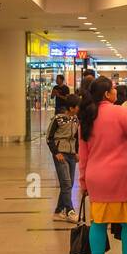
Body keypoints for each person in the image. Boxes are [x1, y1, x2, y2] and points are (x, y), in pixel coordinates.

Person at [76, 76, 127, 254]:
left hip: (96, 178)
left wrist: (83, 181)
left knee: (98, 224)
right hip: (120, 176)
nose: (116, 91)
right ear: (107, 94)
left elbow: (83, 155)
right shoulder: (119, 111)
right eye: (113, 89)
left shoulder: (86, 117)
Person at [46, 94, 80, 222]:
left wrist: (77, 151)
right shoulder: (58, 119)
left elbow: (76, 137)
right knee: (66, 183)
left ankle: (58, 211)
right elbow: (49, 138)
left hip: (71, 154)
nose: (79, 109)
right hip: (60, 154)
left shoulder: (76, 119)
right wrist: (56, 152)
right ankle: (70, 211)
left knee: (69, 184)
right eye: (77, 106)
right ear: (71, 108)